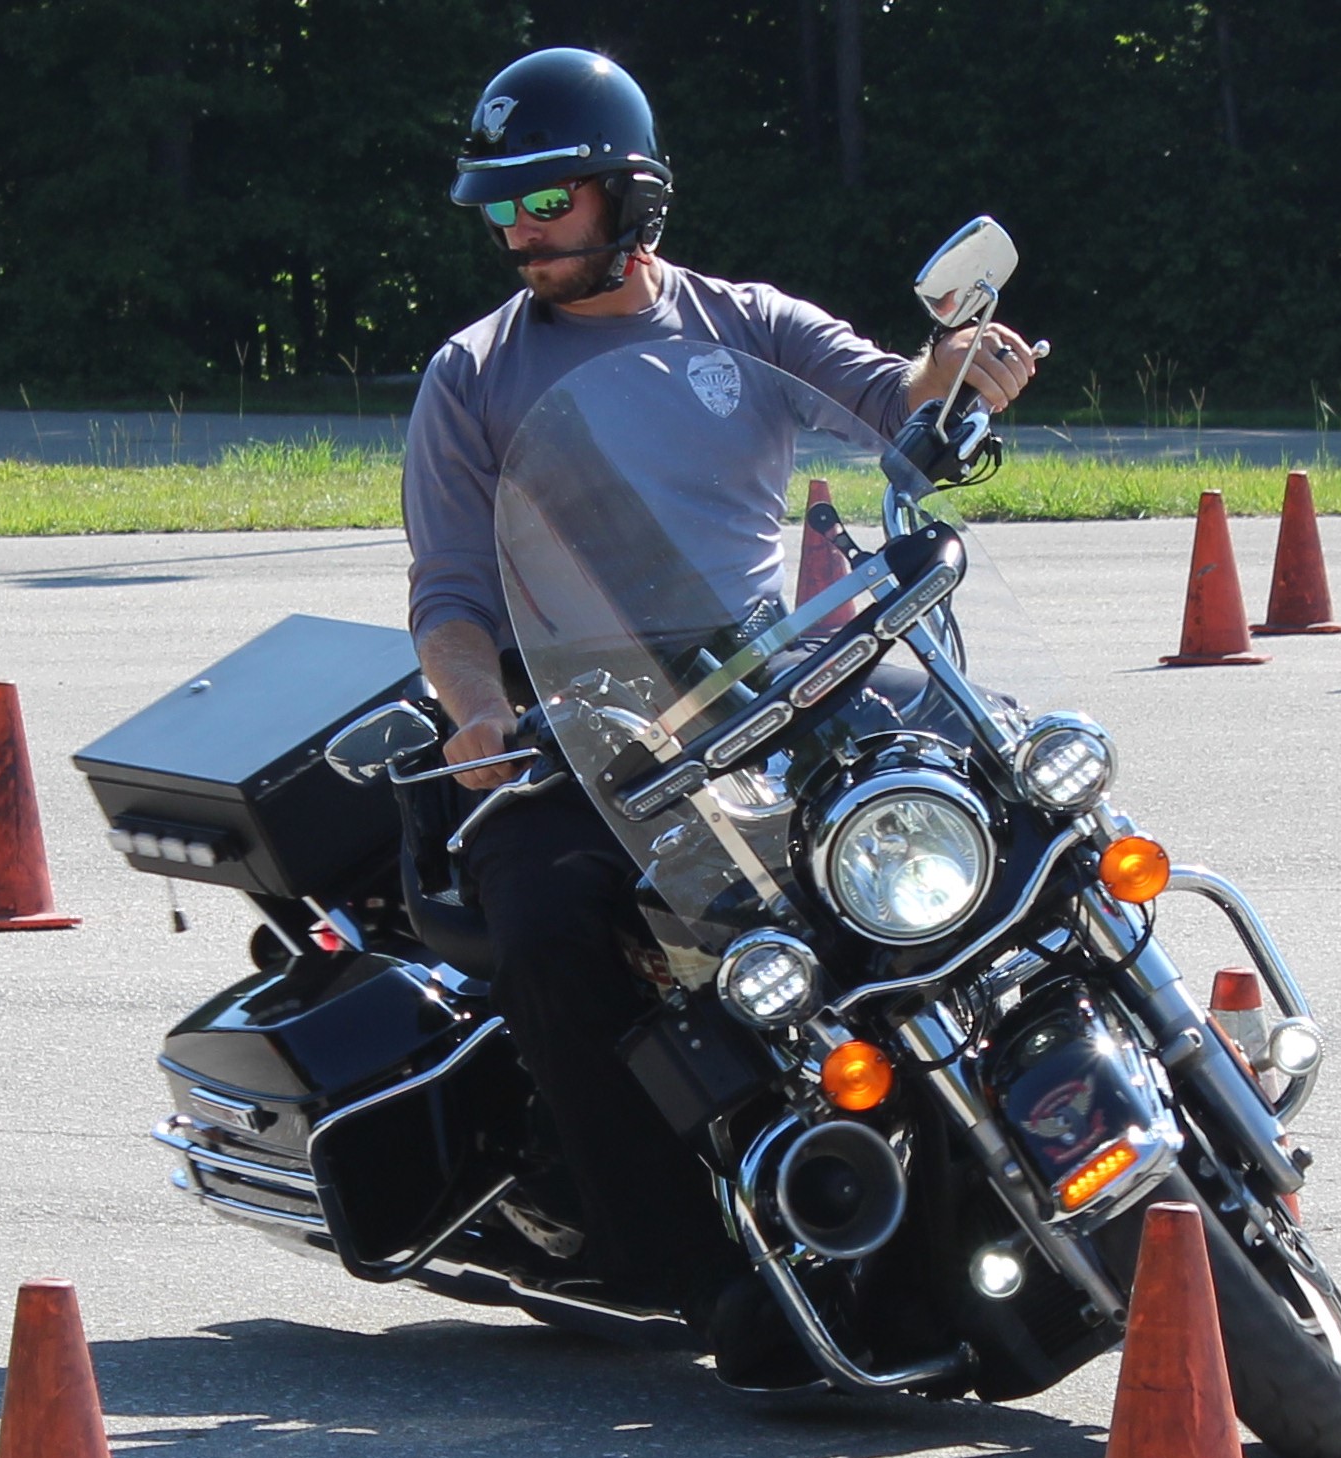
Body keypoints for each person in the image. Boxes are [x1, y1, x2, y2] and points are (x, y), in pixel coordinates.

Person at [396, 46, 1041, 1385]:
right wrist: (473, 719)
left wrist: (960, 368)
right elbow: (452, 596)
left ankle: (1082, 1061)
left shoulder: (741, 324)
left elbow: (895, 404)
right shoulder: (471, 376)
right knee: (542, 916)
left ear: (629, 198)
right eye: (502, 210)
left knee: (1003, 769)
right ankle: (688, 1273)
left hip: (775, 673)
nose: (518, 233)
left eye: (545, 204)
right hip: (591, 719)